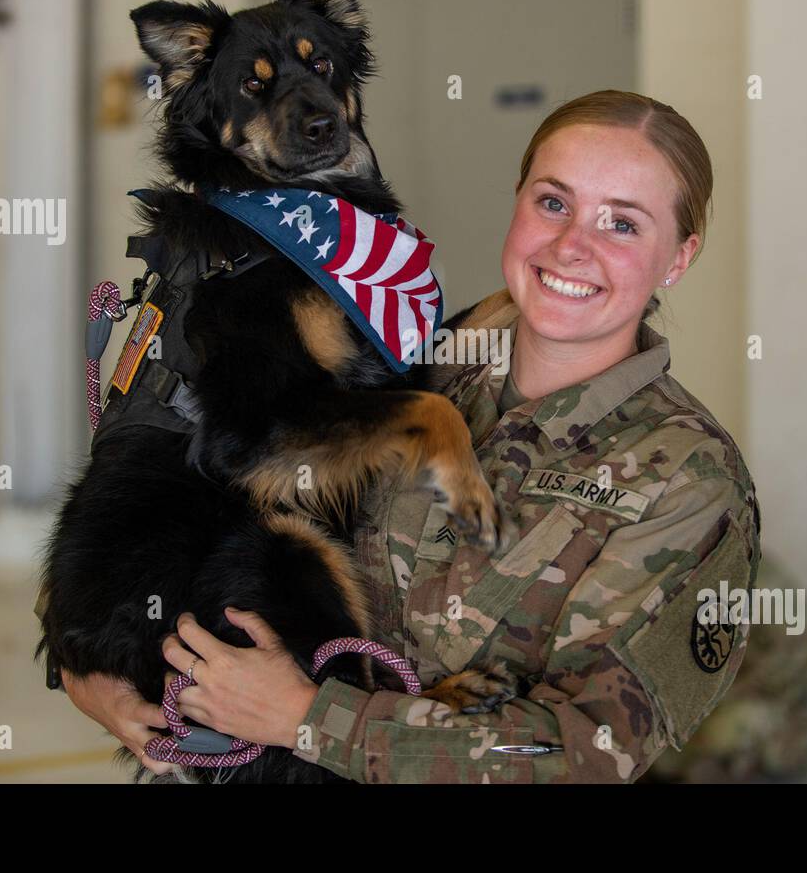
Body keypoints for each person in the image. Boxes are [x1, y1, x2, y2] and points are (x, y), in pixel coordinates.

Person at [53, 89, 763, 783]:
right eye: (554, 202)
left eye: (623, 224)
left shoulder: (687, 477)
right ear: (517, 202)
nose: (573, 245)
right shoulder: (418, 363)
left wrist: (307, 715)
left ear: (678, 256)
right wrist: (87, 666)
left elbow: (586, 753)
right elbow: (167, 498)